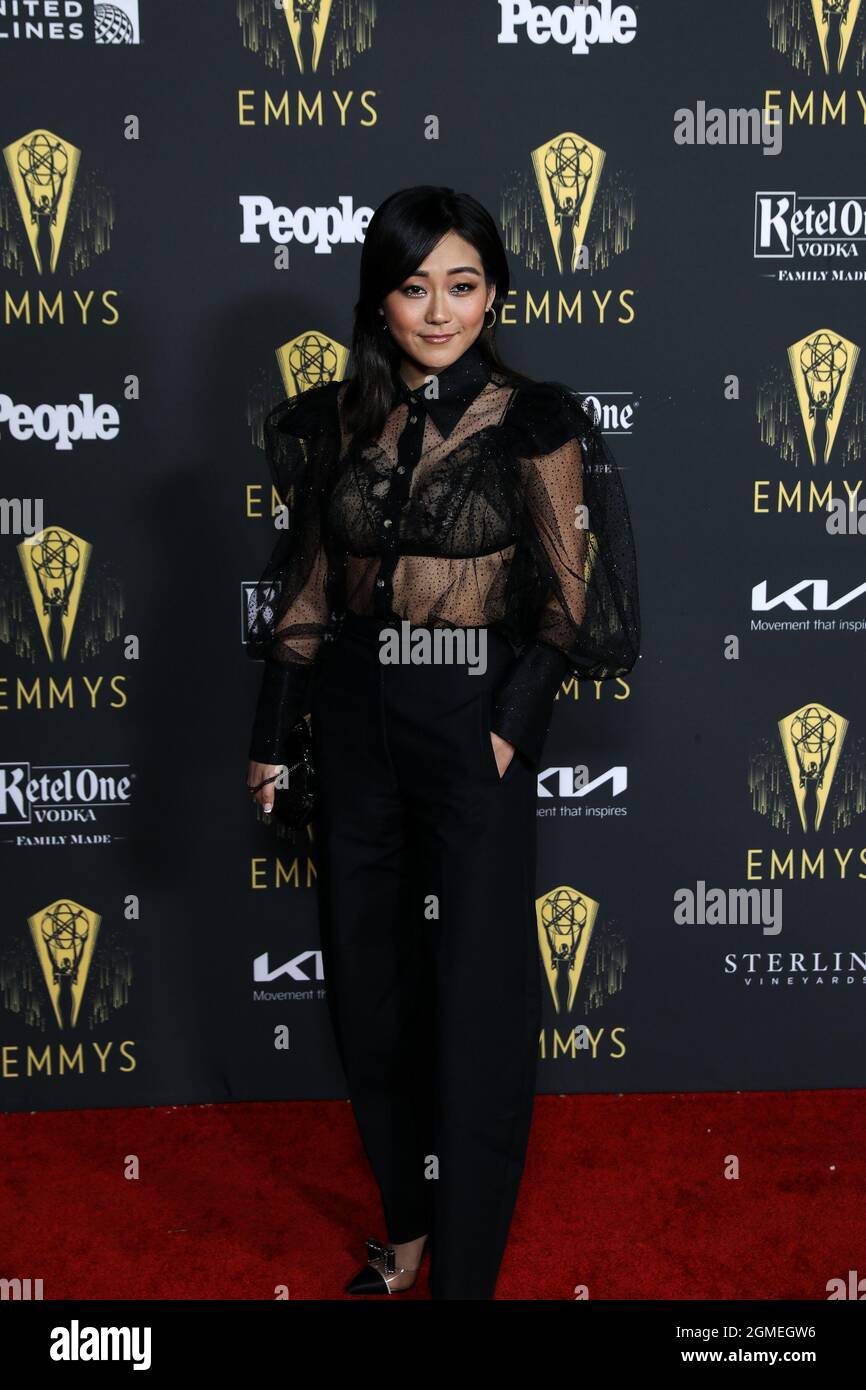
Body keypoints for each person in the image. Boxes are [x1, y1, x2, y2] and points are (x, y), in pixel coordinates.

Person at [246, 185, 641, 1300]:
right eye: (413, 287)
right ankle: (407, 1224)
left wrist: (506, 734)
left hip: (469, 723)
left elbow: (572, 603)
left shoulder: (532, 420)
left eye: (460, 285)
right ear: (379, 303)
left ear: (494, 294)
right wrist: (273, 735)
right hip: (356, 724)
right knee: (367, 993)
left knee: (472, 1000)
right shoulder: (335, 420)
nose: (437, 309)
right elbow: (310, 583)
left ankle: (465, 1273)